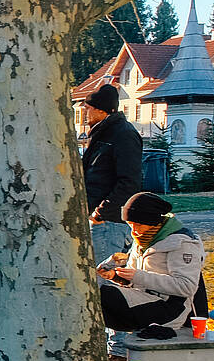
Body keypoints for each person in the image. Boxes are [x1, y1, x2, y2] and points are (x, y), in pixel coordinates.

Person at [96, 192, 206, 335]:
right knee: (93, 293)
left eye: (139, 224)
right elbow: (135, 278)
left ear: (153, 221)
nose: (134, 230)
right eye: (130, 224)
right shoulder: (141, 240)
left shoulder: (182, 242)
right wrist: (116, 277)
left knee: (104, 295)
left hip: (171, 309)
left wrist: (138, 276)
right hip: (143, 299)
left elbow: (186, 286)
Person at [81, 83, 143, 260]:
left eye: (88, 109)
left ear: (101, 110)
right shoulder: (102, 133)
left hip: (110, 222)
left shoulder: (123, 134)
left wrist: (101, 212)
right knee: (96, 277)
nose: (86, 113)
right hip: (100, 219)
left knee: (104, 279)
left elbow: (129, 181)